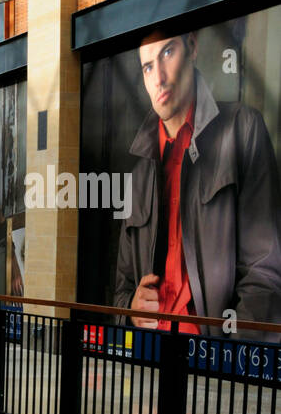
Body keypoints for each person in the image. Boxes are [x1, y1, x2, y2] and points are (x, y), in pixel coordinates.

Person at [115, 30, 281, 339]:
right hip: (150, 354)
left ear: (191, 47)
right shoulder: (139, 174)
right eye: (148, 66)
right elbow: (122, 289)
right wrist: (130, 310)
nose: (159, 77)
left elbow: (265, 271)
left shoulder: (242, 129)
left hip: (210, 362)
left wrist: (230, 356)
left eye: (167, 53)